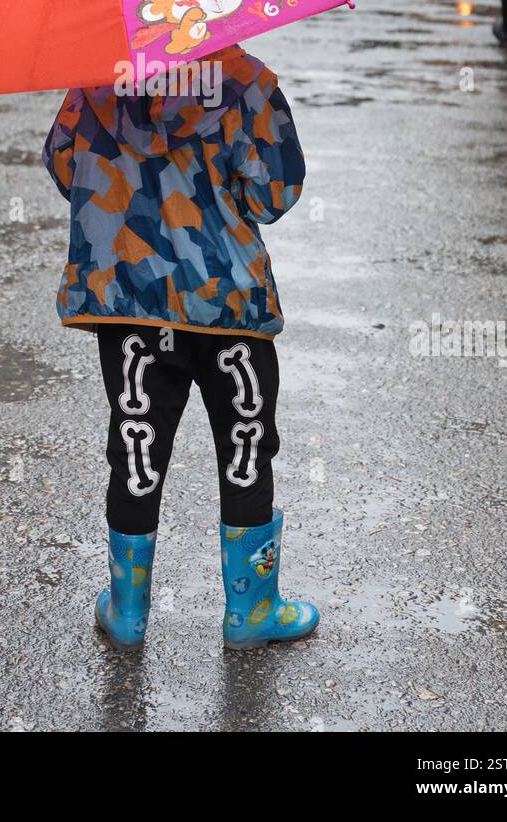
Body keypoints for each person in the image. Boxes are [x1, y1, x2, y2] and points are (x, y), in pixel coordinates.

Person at [42, 43, 321, 651]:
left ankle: (127, 612)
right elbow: (275, 194)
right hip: (228, 305)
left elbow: (65, 167)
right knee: (246, 447)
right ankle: (251, 612)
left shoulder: (97, 77)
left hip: (132, 305)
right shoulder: (245, 80)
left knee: (137, 447)